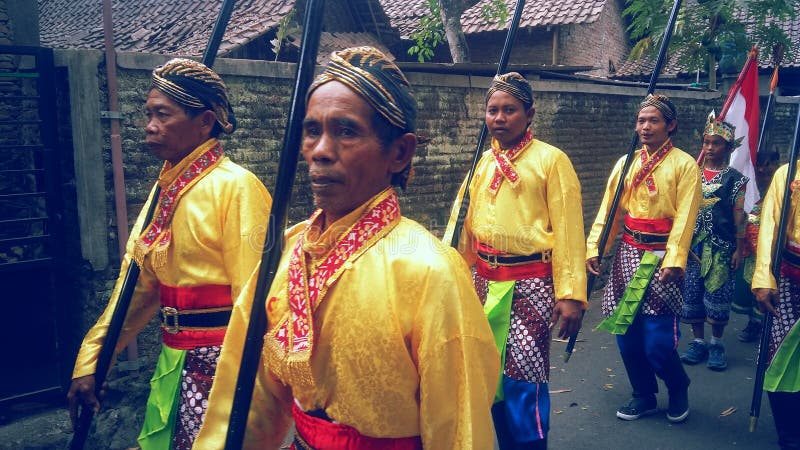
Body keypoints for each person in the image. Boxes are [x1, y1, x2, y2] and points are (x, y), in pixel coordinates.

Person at [194, 46, 499, 449]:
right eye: (311, 130)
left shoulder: (431, 271)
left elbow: (462, 431)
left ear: (399, 152)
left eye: (346, 131)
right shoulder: (284, 255)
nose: (320, 150)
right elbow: (246, 400)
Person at [66, 58, 272, 450]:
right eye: (148, 114)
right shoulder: (166, 190)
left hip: (222, 367)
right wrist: (93, 361)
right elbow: (136, 287)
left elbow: (256, 299)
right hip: (173, 358)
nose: (149, 125)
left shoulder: (237, 187)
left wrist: (251, 389)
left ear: (205, 121)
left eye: (162, 114)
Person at [444, 72, 586, 450]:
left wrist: (571, 294)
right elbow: (464, 223)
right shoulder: (483, 161)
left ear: (530, 114)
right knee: (487, 374)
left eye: (510, 110)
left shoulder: (552, 161)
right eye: (493, 110)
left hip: (531, 284)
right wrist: (452, 273)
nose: (500, 118)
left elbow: (570, 229)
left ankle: (529, 445)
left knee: (524, 376)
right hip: (483, 282)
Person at [586, 94, 701, 424]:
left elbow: (686, 217)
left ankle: (677, 384)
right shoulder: (626, 163)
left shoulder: (684, 165)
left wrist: (675, 258)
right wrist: (595, 247)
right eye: (641, 121)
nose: (645, 127)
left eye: (653, 121)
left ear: (671, 126)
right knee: (625, 330)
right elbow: (608, 212)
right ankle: (643, 394)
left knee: (657, 339)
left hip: (663, 256)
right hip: (628, 252)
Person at [679, 112, 748, 371]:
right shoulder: (691, 173)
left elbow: (738, 217)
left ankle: (716, 343)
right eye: (706, 142)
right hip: (693, 247)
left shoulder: (735, 180)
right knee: (692, 295)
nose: (709, 148)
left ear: (728, 148)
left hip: (721, 248)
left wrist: (739, 249)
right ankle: (697, 341)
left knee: (718, 297)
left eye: (715, 143)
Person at [752, 159, 800, 450]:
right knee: (779, 359)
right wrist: (763, 277)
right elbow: (769, 226)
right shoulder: (788, 174)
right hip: (790, 276)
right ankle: (790, 436)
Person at [732, 150, 779, 342]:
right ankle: (754, 324)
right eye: (760, 165)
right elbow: (742, 220)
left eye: (769, 164)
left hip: (772, 253)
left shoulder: (781, 189)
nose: (764, 169)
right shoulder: (751, 190)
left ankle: (770, 329)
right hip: (751, 252)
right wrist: (740, 246)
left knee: (770, 288)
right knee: (752, 288)